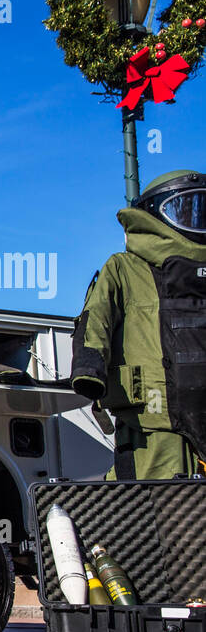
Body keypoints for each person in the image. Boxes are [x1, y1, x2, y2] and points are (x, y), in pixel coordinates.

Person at [72, 170, 206, 480]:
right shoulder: (125, 268)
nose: (194, 219)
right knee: (162, 514)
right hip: (153, 428)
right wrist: (88, 370)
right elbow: (96, 318)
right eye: (183, 209)